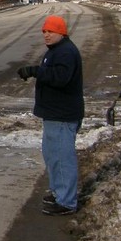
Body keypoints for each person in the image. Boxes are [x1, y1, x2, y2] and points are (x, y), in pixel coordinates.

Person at [17, 15, 84, 216]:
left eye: (50, 32)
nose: (46, 35)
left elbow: (61, 78)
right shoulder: (56, 50)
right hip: (54, 113)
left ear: (61, 33)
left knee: (62, 158)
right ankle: (58, 192)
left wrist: (36, 71)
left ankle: (66, 201)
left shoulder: (65, 52)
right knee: (52, 155)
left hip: (63, 115)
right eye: (44, 32)